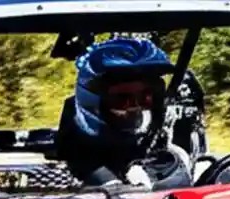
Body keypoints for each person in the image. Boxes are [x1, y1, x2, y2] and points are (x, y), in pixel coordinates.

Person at [56, 37, 196, 190]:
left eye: (145, 97)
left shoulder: (170, 154)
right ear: (93, 102)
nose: (135, 108)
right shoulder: (64, 175)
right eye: (122, 99)